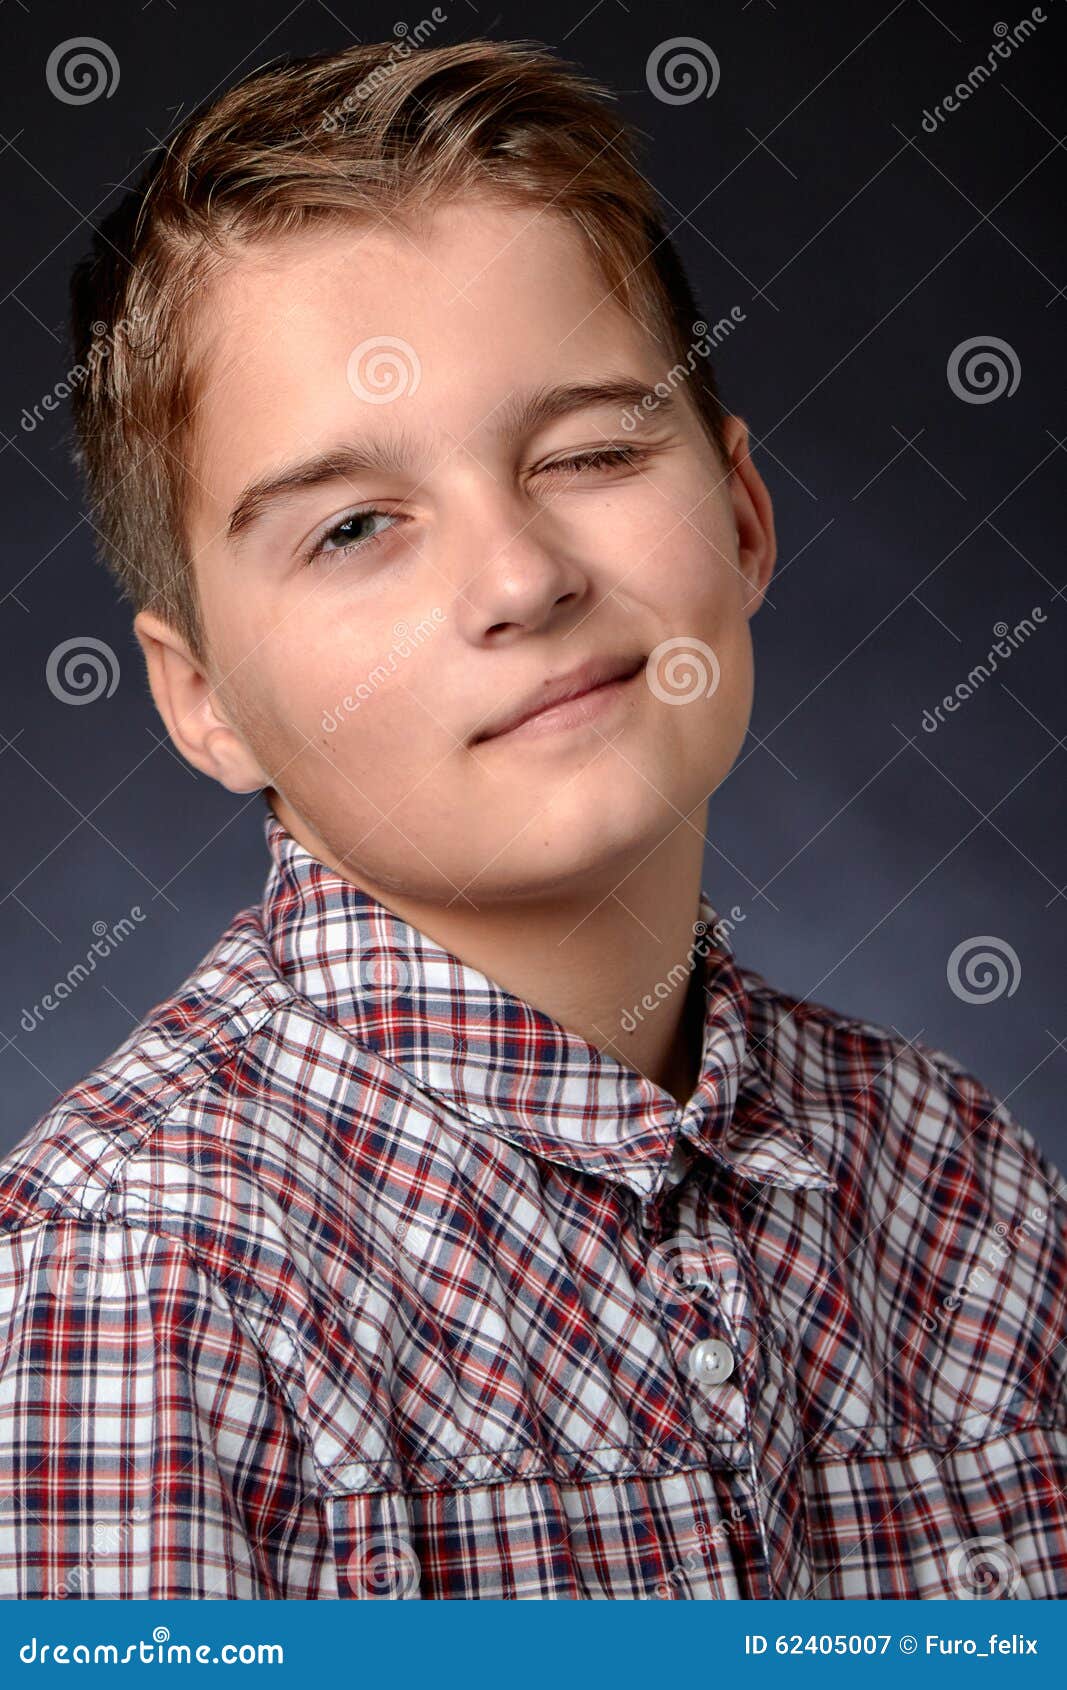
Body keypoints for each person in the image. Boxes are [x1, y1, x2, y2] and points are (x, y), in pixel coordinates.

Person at [0, 37, 1064, 1600]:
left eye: (590, 450)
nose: (521, 580)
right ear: (201, 696)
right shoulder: (127, 1279)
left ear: (745, 514)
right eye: (355, 526)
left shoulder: (962, 1179)